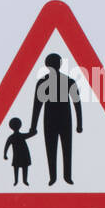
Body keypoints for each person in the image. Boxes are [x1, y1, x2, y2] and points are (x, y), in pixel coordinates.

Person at [28, 53, 83, 185]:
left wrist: (33, 127)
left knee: (58, 148)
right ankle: (58, 177)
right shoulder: (48, 82)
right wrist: (79, 124)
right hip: (54, 119)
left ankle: (62, 177)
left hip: (59, 119)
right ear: (60, 64)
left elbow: (37, 106)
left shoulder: (66, 81)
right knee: (58, 148)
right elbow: (37, 105)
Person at [3, 118, 35, 186]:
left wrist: (33, 131)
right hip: (19, 155)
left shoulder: (14, 136)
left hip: (23, 154)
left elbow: (31, 134)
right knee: (18, 167)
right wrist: (5, 154)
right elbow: (7, 146)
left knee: (23, 167)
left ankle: (24, 181)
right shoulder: (13, 137)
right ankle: (17, 181)